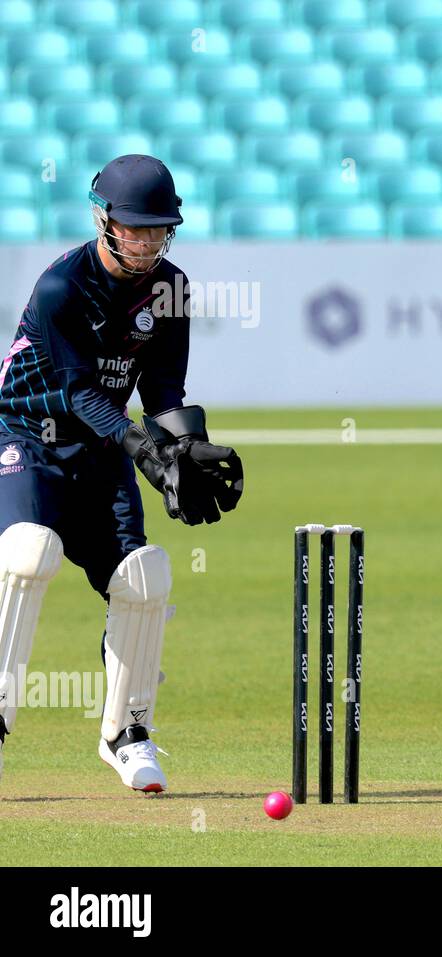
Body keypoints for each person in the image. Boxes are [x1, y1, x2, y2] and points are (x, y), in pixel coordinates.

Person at [0, 154, 243, 794]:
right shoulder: (61, 287)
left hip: (101, 449)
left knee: (144, 576)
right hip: (27, 433)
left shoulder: (170, 288)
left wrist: (187, 448)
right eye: (133, 229)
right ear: (103, 221)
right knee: (30, 553)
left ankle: (127, 733)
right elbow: (80, 393)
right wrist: (144, 449)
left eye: (157, 230)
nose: (144, 243)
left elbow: (163, 387)